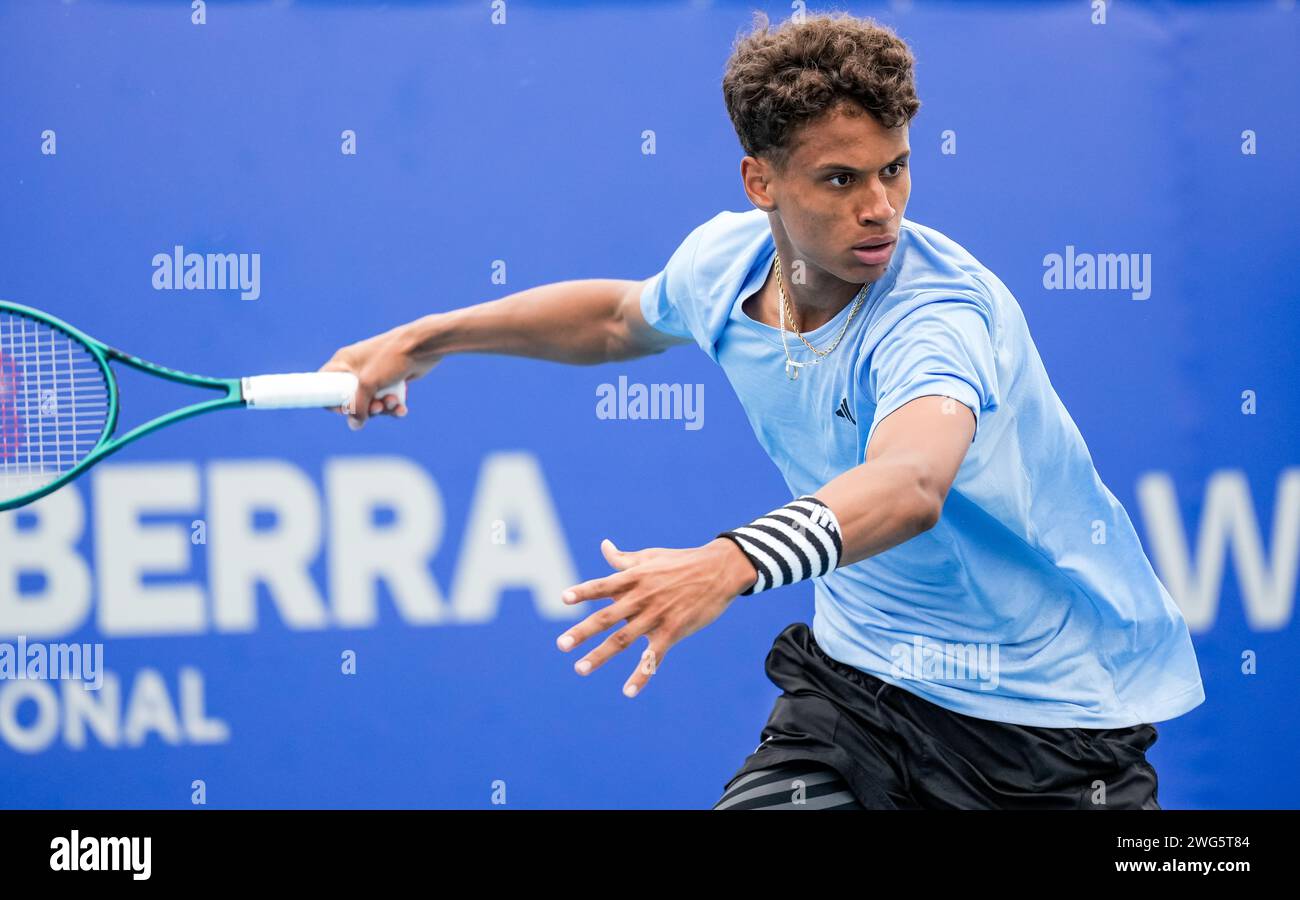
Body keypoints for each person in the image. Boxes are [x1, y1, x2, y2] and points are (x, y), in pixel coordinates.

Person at [319, 10, 1204, 810]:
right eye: (840, 178)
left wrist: (731, 561)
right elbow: (615, 318)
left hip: (1045, 724)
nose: (880, 208)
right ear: (760, 181)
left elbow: (909, 483)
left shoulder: (939, 319)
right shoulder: (727, 263)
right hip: (862, 690)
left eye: (895, 169)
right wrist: (426, 339)